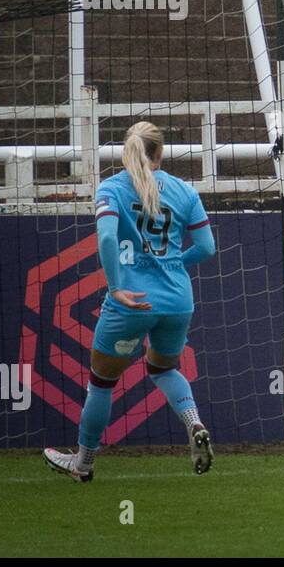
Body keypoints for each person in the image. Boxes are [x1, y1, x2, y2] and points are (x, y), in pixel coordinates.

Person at [43, 121, 217, 481]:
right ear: (161, 153)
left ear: (127, 151)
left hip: (131, 303)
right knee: (164, 369)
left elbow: (106, 239)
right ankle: (194, 422)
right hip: (178, 302)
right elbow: (207, 248)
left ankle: (84, 463)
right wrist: (171, 264)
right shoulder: (185, 192)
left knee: (102, 383)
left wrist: (115, 286)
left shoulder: (112, 189)